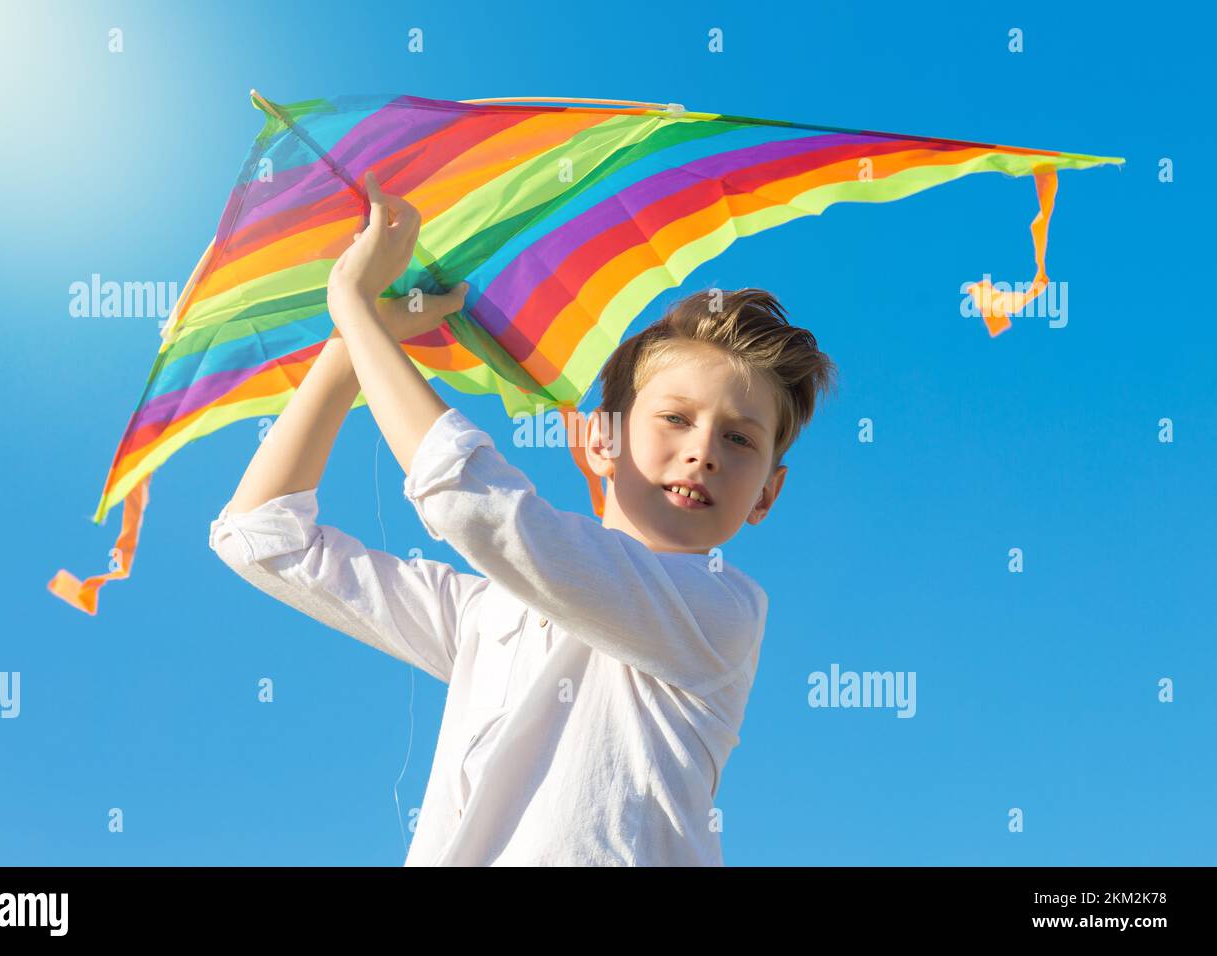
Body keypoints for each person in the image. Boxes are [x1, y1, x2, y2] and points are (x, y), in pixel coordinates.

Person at [208, 171, 838, 865]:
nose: (702, 453)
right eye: (675, 419)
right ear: (601, 438)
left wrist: (357, 311)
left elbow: (481, 511)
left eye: (740, 439)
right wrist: (346, 350)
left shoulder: (723, 612)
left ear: (767, 495)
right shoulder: (489, 614)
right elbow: (261, 539)